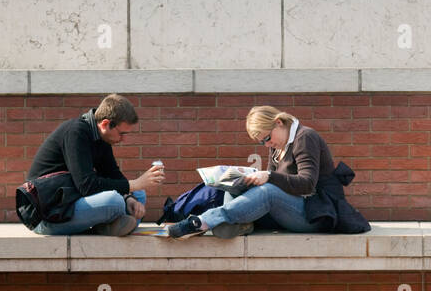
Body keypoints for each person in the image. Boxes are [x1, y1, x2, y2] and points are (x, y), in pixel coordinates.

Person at [167, 104, 362, 239]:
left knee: (268, 192)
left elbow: (307, 183)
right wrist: (247, 179)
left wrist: (268, 176)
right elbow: (274, 180)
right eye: (262, 142)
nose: (267, 144)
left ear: (278, 122)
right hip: (288, 211)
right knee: (234, 186)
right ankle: (236, 224)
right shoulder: (277, 147)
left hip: (314, 215)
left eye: (267, 138)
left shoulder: (305, 137)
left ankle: (203, 222)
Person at [20, 93, 164, 236]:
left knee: (138, 195)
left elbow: (112, 174)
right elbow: (87, 185)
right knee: (115, 202)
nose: (123, 139)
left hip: (71, 202)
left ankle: (106, 227)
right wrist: (134, 184)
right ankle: (101, 228)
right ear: (105, 124)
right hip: (47, 214)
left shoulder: (102, 139)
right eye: (122, 134)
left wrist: (129, 197)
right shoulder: (75, 132)